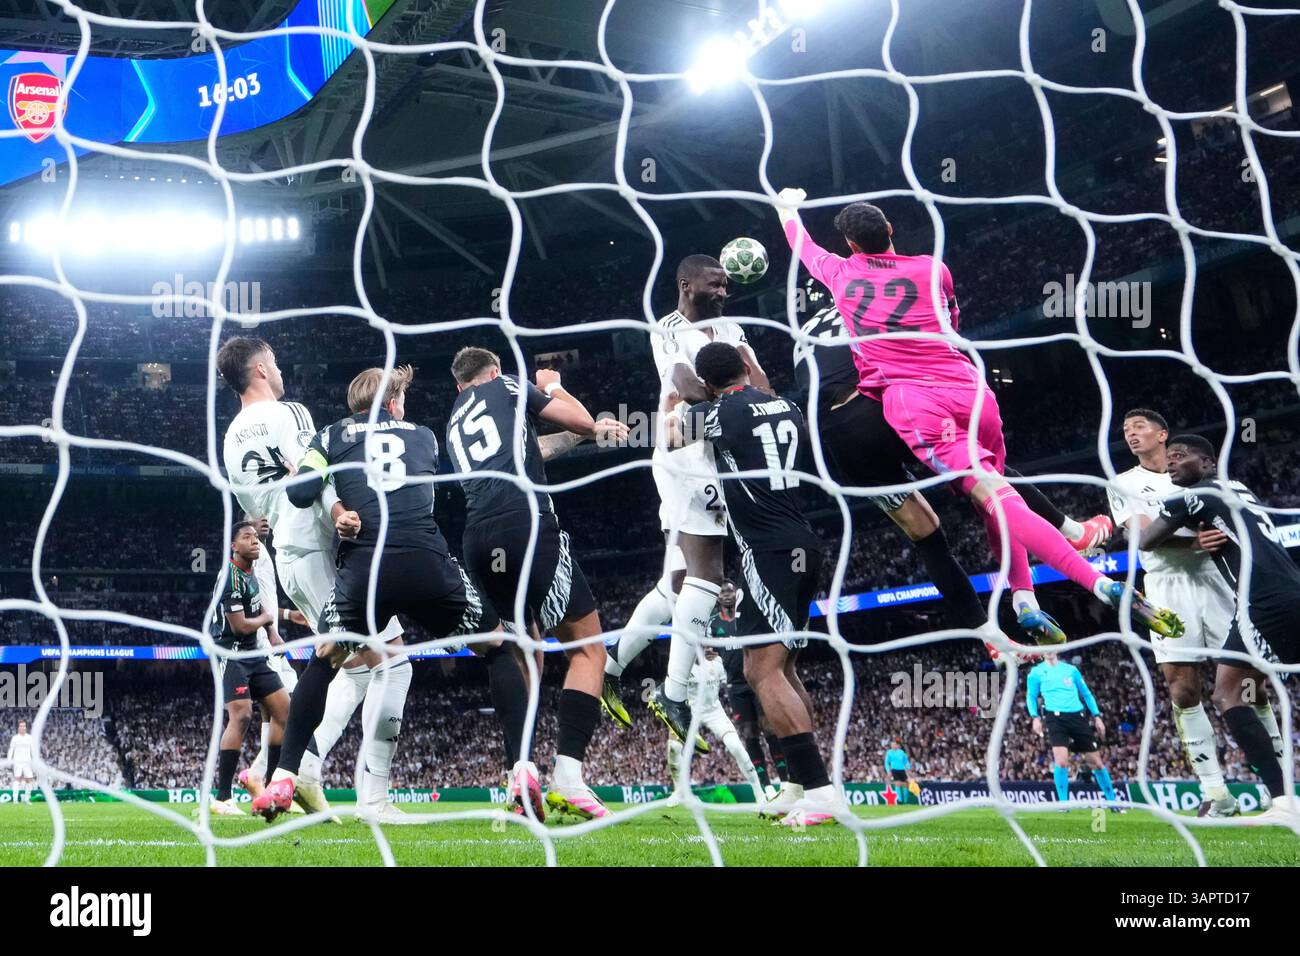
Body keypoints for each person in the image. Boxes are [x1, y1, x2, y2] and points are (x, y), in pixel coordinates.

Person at [775, 191, 1182, 641]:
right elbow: (951, 321)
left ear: (850, 245)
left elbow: (802, 244)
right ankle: (1026, 594)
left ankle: (1097, 582)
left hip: (914, 403)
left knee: (992, 501)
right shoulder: (933, 268)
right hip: (970, 388)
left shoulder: (840, 275)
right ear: (891, 231)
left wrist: (786, 206)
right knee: (998, 487)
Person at [792, 289, 1113, 649]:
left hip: (837, 439)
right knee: (986, 474)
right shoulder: (865, 302)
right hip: (880, 404)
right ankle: (1069, 531)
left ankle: (987, 636)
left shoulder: (801, 338)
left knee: (927, 537)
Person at [666, 341, 849, 827]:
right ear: (747, 366)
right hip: (801, 542)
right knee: (777, 668)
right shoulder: (783, 402)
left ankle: (822, 793)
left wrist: (672, 351)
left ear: (710, 384)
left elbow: (673, 432)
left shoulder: (718, 414)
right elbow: (757, 384)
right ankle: (794, 784)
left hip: (767, 550)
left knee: (763, 672)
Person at [447, 346, 629, 820]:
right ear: (493, 372)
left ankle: (519, 773)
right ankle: (568, 778)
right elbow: (581, 419)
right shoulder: (508, 384)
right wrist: (551, 385)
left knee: (523, 650)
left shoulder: (454, 419)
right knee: (589, 650)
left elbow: (537, 447)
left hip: (478, 539)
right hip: (524, 523)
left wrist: (587, 437)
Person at [604, 254, 773, 748]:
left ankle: (611, 668)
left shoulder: (732, 326)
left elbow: (760, 383)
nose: (724, 291)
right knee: (709, 573)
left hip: (714, 450)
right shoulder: (668, 329)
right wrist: (735, 396)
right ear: (686, 284)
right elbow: (687, 389)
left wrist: (730, 393)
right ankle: (673, 693)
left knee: (675, 582)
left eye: (726, 284)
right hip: (688, 455)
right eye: (714, 284)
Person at [217, 336, 389, 819]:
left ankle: (284, 771)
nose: (280, 369)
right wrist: (339, 511)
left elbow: (254, 515)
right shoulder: (289, 413)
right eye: (274, 362)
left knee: (346, 665)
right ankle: (366, 794)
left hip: (288, 558)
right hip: (318, 547)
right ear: (260, 370)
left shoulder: (230, 439)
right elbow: (314, 474)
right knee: (389, 662)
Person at [1139, 434, 1299, 824]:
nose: (1171, 463)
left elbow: (1146, 540)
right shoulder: (1237, 488)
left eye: (1180, 457)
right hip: (1287, 589)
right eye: (1169, 457)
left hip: (1262, 601)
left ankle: (1283, 800)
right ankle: (1282, 796)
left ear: (1208, 463)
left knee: (1229, 693)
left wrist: (1090, 533)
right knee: (1238, 689)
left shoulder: (1190, 497)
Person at [1109, 409, 1253, 817]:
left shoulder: (1192, 470)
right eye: (1125, 430)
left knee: (1249, 684)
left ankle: (1279, 785)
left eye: (1138, 427)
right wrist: (1193, 543)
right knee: (1183, 690)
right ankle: (1216, 793)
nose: (1131, 434)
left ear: (1163, 434)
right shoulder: (1124, 483)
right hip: (1167, 588)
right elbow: (1140, 534)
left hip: (1222, 580)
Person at [207, 521, 292, 817]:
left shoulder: (250, 573)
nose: (254, 541)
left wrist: (271, 631)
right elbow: (240, 625)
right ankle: (222, 798)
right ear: (234, 546)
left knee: (284, 710)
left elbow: (256, 611)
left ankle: (269, 789)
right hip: (230, 654)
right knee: (241, 715)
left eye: (256, 537)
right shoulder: (230, 576)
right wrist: (266, 620)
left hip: (254, 654)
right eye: (247, 537)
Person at [663, 648, 767, 804]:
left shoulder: (717, 662)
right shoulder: (680, 665)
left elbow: (733, 680)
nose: (706, 648)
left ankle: (759, 794)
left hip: (713, 711)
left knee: (736, 747)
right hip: (689, 711)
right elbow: (670, 694)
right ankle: (679, 791)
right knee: (674, 747)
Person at [1026, 653, 1123, 811]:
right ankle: (1064, 804)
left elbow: (1086, 694)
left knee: (1096, 763)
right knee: (1062, 761)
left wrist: (1097, 716)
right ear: (1042, 651)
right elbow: (1031, 696)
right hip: (1055, 718)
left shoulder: (1071, 670)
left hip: (1078, 717)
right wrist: (1035, 717)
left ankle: (1112, 802)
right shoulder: (1035, 673)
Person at [7, 720, 34, 803]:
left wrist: (34, 759)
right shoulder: (15, 738)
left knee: (29, 780)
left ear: (26, 727)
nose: (22, 727)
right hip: (17, 761)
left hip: (27, 762)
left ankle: (27, 799)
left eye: (24, 726)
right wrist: (9, 760)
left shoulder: (30, 738)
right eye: (21, 726)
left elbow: (32, 750)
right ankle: (15, 799)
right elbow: (11, 749)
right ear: (18, 727)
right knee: (17, 779)